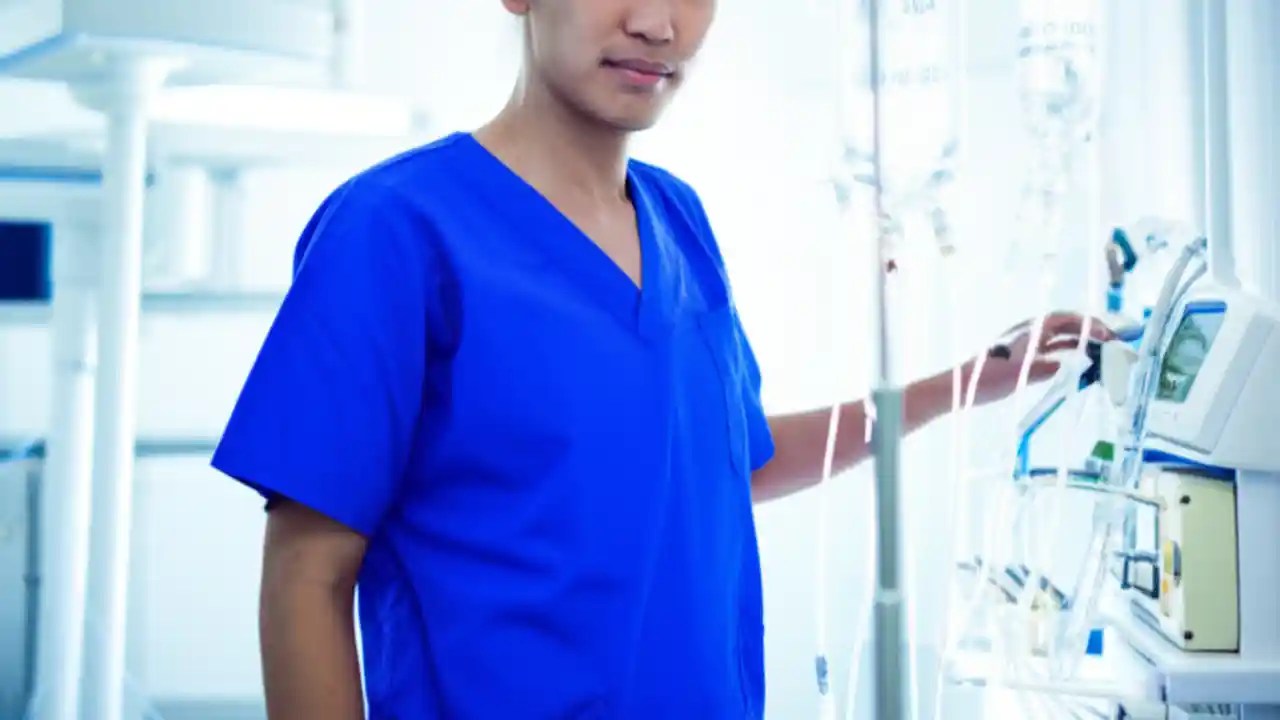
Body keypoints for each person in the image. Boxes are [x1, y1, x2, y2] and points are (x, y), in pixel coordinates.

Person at [211, 1, 1111, 718]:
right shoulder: (396, 229)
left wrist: (961, 386)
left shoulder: (680, 221)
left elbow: (730, 461)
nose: (659, 25)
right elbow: (305, 573)